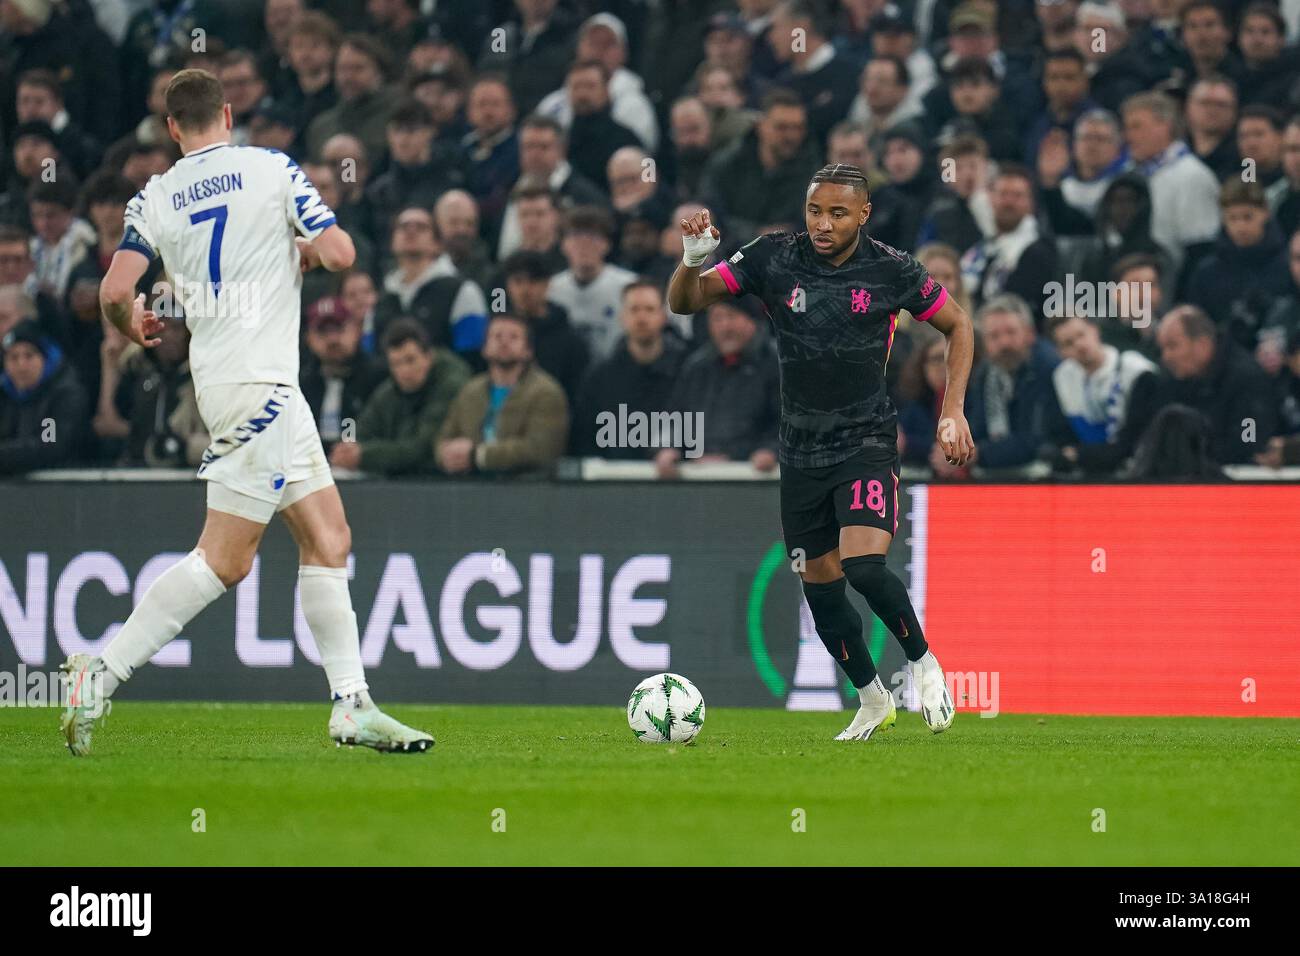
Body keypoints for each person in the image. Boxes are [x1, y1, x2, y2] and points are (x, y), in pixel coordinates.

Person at [67, 68, 433, 757]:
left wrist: (133, 321)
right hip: (260, 386)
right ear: (228, 114)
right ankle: (102, 672)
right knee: (225, 561)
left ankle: (351, 704)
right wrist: (307, 250)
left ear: (174, 128)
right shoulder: (272, 168)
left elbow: (114, 289)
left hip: (241, 383)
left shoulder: (154, 195)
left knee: (330, 539)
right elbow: (341, 251)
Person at [667, 163, 974, 741]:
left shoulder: (891, 270)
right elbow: (687, 303)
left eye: (837, 213)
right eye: (815, 211)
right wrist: (691, 260)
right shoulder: (773, 257)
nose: (824, 224)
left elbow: (959, 326)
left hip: (865, 439)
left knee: (863, 566)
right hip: (799, 448)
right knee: (820, 581)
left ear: (864, 214)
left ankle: (923, 663)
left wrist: (951, 409)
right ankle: (871, 698)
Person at [437, 313, 569, 477]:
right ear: (484, 347)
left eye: (513, 337)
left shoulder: (546, 393)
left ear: (528, 350)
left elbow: (541, 449)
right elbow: (444, 438)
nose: (504, 342)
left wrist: (479, 456)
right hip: (470, 486)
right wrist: (445, 455)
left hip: (526, 488)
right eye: (497, 336)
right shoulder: (469, 391)